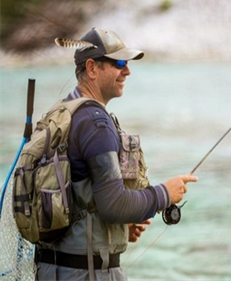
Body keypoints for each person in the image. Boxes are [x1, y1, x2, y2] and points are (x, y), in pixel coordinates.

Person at [35, 27, 197, 281]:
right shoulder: (94, 122)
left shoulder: (62, 113)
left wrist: (122, 227)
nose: (127, 71)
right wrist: (165, 194)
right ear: (91, 68)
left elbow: (75, 200)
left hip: (53, 271)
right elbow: (114, 205)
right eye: (119, 63)